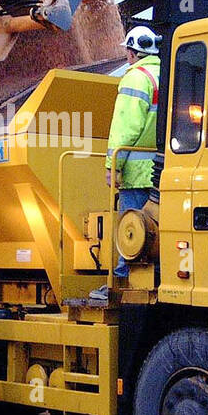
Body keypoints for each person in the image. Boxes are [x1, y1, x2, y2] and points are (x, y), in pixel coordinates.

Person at [91, 25, 161, 300]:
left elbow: (125, 127)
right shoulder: (165, 74)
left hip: (136, 170)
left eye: (128, 51)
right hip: (160, 169)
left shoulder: (135, 78)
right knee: (155, 229)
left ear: (133, 53)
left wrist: (113, 164)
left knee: (131, 228)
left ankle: (122, 280)